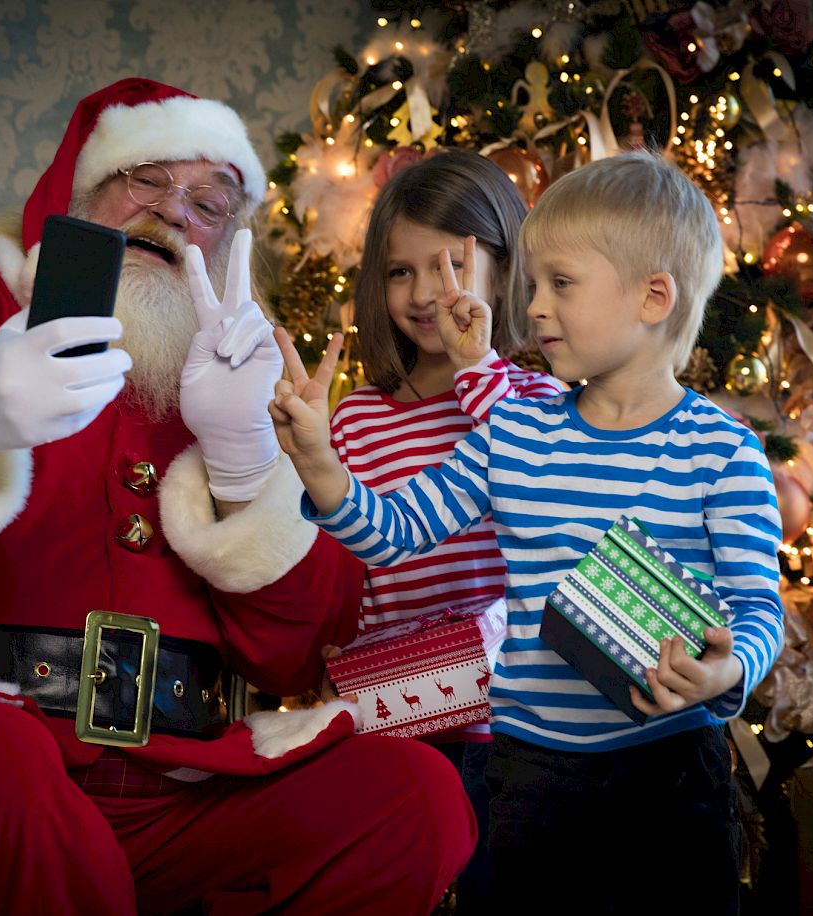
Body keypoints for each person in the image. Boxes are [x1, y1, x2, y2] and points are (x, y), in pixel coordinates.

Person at [0, 77, 474, 914]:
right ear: (78, 190)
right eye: (146, 178)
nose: (174, 211)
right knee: (12, 799)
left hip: (181, 778)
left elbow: (299, 654)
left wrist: (247, 463)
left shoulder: (234, 371)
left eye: (210, 202)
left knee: (410, 800)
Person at [271, 149, 784, 914]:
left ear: (652, 297)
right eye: (533, 285)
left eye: (561, 285)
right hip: (531, 776)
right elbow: (397, 531)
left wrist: (725, 674)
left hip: (672, 770)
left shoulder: (723, 452)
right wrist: (321, 468)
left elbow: (759, 611)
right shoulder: (513, 430)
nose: (534, 308)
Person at [327, 149, 563, 912]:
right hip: (398, 714)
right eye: (402, 272)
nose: (428, 294)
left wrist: (477, 370)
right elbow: (344, 563)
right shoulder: (359, 417)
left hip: (514, 728)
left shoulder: (530, 395)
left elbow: (547, 495)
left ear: (503, 267)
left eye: (452, 265)